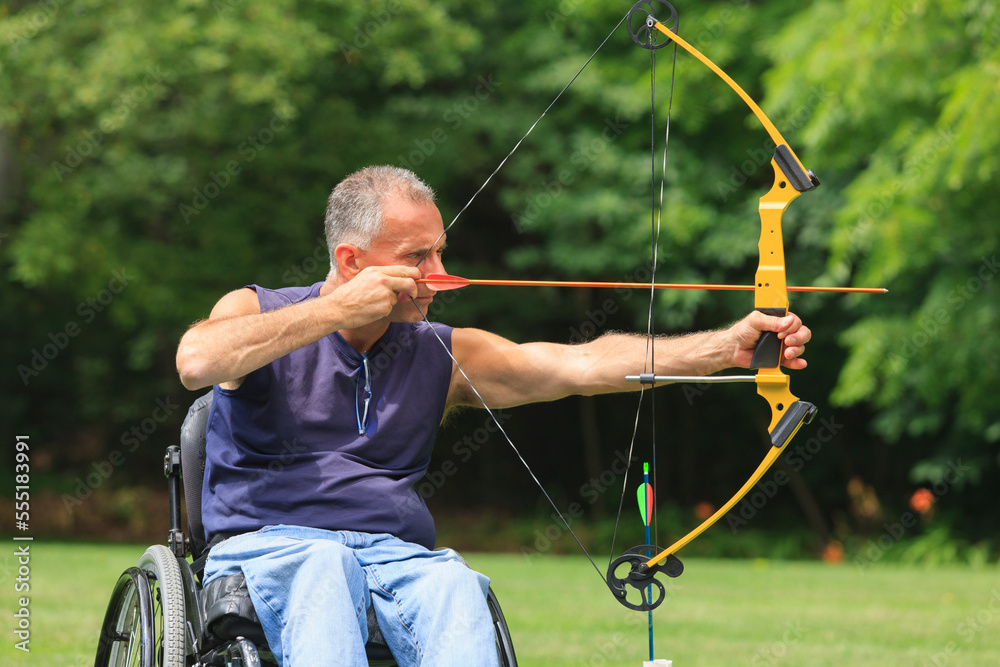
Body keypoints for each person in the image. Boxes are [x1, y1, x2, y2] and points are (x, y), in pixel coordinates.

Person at [175, 165, 811, 666]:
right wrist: (335, 313)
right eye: (419, 257)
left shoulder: (442, 353)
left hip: (396, 558)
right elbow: (195, 361)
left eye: (441, 253)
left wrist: (725, 349)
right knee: (323, 568)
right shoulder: (258, 311)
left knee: (455, 583)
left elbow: (579, 364)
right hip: (277, 550)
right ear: (351, 262)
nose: (440, 275)